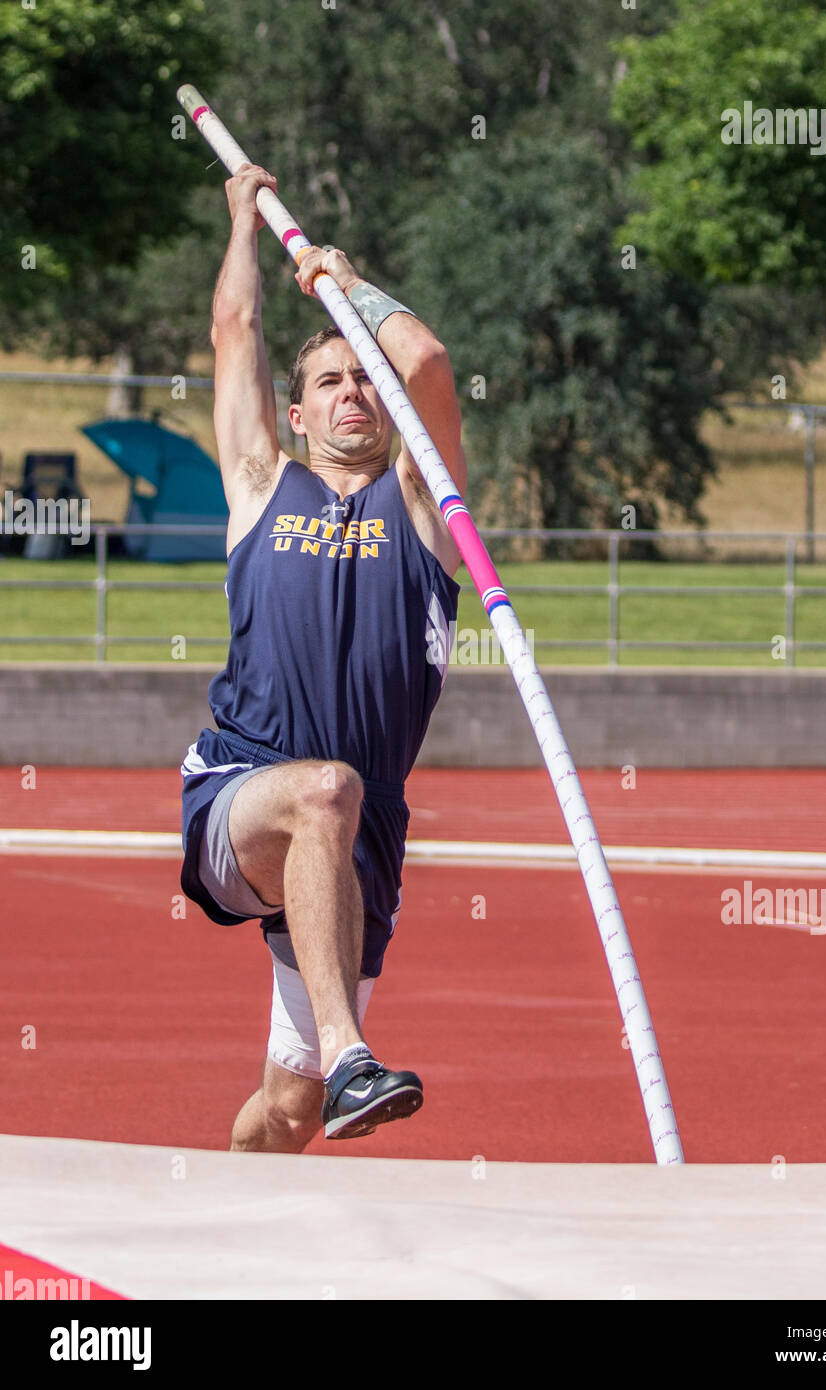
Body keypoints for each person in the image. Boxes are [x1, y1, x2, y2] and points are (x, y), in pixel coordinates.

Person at [179, 164, 466, 1152]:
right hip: (246, 785)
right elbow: (233, 335)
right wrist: (242, 226)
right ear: (296, 415)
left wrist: (350, 291)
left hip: (363, 829)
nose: (353, 390)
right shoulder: (263, 487)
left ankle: (234, 1194)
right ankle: (354, 1053)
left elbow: (422, 356)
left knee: (290, 1114)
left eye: (363, 378)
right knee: (320, 791)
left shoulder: (425, 506)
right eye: (329, 379)